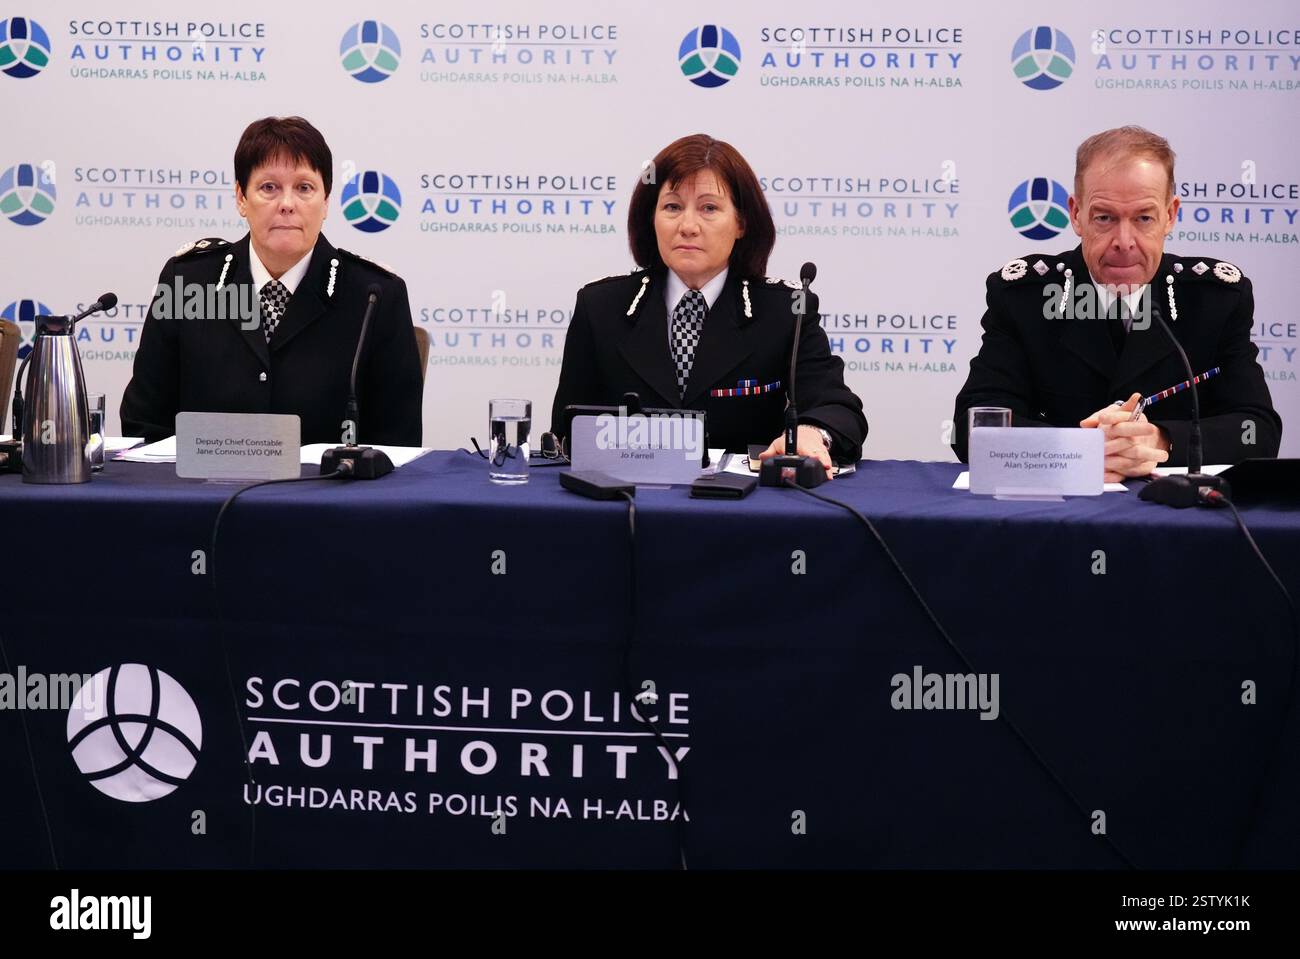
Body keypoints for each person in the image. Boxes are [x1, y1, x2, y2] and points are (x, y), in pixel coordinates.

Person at [952, 126, 1281, 480]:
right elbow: (973, 427)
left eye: (1143, 218)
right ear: (1077, 214)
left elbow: (1257, 430)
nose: (1124, 241)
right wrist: (1081, 451)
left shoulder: (1214, 300)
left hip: (1174, 519)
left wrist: (1161, 440)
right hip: (1054, 516)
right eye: (1105, 217)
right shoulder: (1024, 298)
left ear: (1170, 215)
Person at [549, 133, 867, 477]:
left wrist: (810, 432)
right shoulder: (601, 307)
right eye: (672, 207)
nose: (687, 226)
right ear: (650, 219)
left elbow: (838, 409)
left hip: (743, 512)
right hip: (626, 504)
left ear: (742, 223)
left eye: (709, 208)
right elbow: (567, 431)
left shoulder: (785, 312)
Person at [121, 116, 423, 446]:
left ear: (325, 203)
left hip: (330, 495)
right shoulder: (188, 283)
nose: (287, 205)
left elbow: (399, 446)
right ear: (240, 198)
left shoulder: (375, 296)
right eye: (269, 188)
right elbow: (143, 426)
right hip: (205, 494)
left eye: (304, 188)